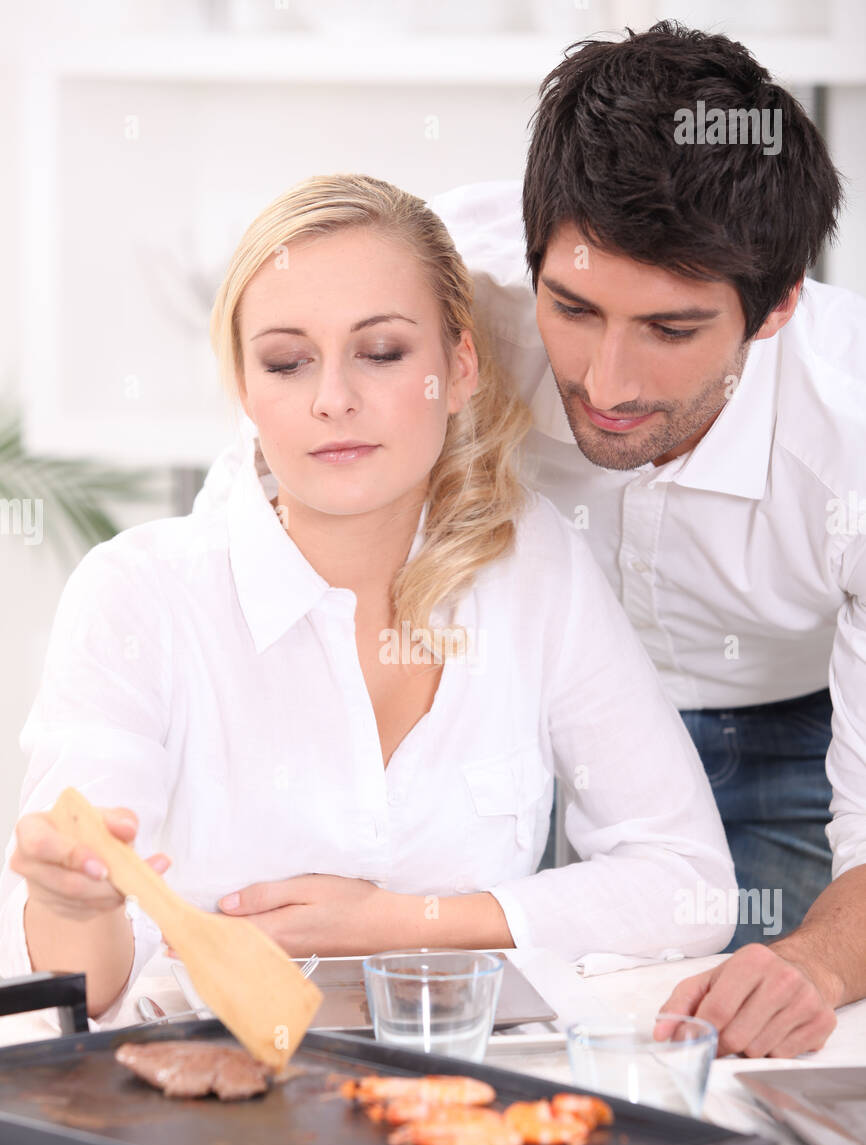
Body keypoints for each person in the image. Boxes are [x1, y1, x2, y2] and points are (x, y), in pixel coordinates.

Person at [192, 23, 862, 1060]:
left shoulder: (848, 438)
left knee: (744, 1040)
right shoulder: (439, 293)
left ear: (773, 307)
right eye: (573, 308)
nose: (605, 381)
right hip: (510, 711)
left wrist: (812, 962)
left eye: (671, 330)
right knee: (464, 1038)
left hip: (784, 732)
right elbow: (260, 507)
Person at [0, 173, 737, 1027]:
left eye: (381, 352)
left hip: (462, 1103)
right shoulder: (137, 597)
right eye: (286, 362)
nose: (332, 399)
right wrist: (74, 908)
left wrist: (401, 926)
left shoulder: (534, 566)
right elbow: (75, 994)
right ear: (246, 390)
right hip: (210, 1107)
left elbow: (688, 882)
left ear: (458, 368)